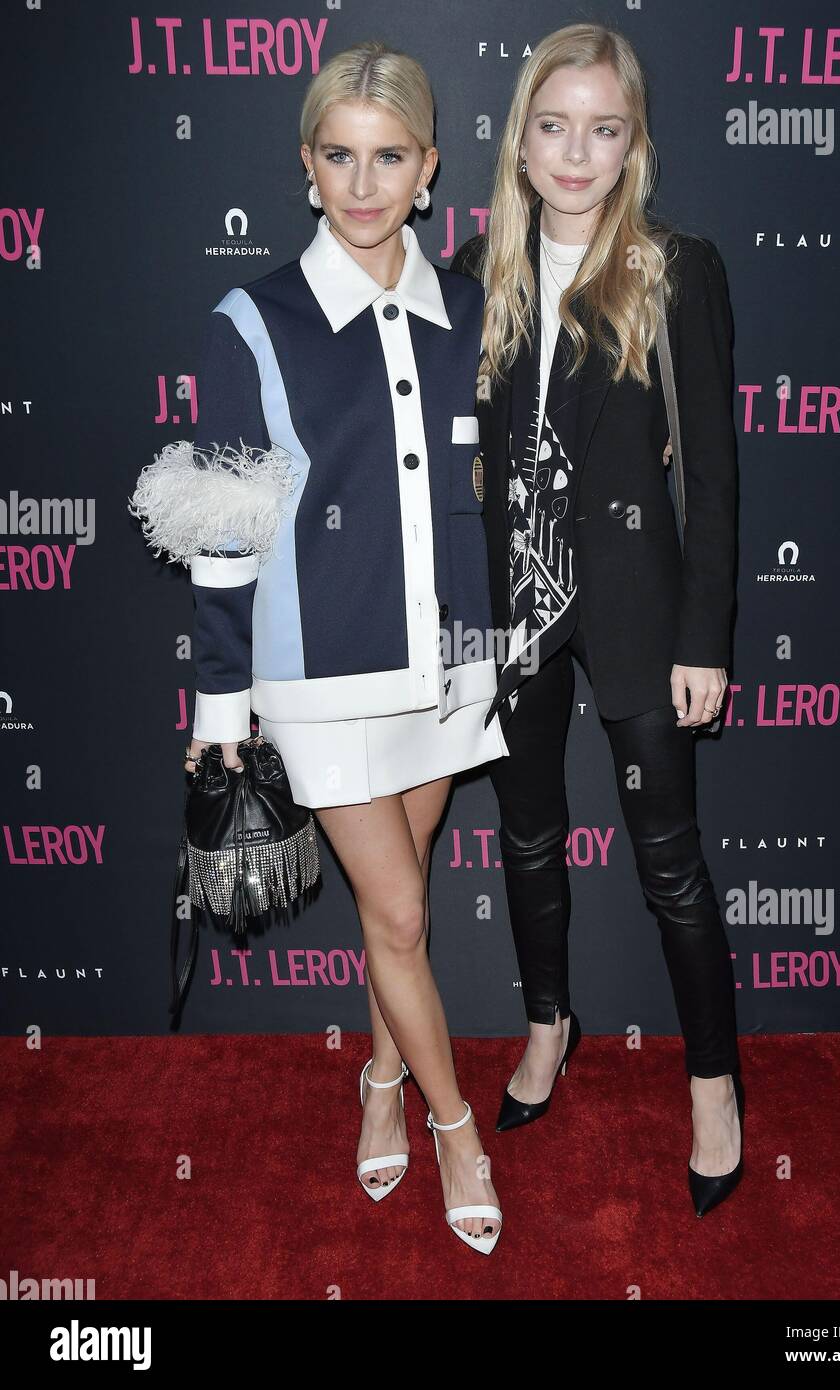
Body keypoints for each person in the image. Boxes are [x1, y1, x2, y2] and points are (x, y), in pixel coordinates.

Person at [130, 41, 508, 1253]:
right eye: (339, 156)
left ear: (429, 167)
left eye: (388, 156)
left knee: (404, 913)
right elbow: (227, 534)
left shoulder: (465, 306)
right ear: (306, 167)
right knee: (397, 917)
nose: (363, 181)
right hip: (321, 673)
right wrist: (219, 711)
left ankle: (383, 1080)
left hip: (447, 663)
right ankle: (455, 1123)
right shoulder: (254, 320)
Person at [451, 22, 745, 1216]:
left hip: (635, 604)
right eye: (554, 125)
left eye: (604, 129)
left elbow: (714, 474)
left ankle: (715, 1088)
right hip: (513, 605)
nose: (577, 153)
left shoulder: (678, 267)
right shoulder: (475, 269)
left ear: (634, 147)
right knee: (526, 836)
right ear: (520, 139)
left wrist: (704, 639)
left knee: (670, 864)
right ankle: (545, 1024)